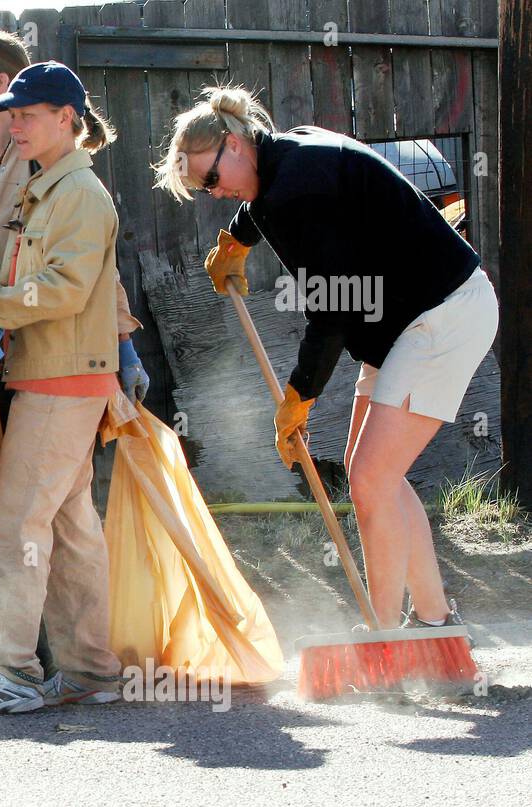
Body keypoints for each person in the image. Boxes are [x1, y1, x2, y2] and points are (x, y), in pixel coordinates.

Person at [154, 86, 496, 632]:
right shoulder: (288, 154)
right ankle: (434, 623)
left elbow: (334, 308)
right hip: (406, 321)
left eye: (211, 179)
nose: (212, 192)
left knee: (369, 479)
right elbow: (263, 199)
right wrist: (238, 238)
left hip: (442, 312)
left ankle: (382, 635)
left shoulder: (295, 189)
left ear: (235, 145)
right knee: (380, 476)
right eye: (203, 188)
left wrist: (299, 397)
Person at [0, 33, 146, 679]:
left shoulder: (60, 178)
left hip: (48, 364)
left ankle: (13, 668)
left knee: (16, 524)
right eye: (12, 114)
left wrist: (122, 345)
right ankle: (88, 667)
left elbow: (79, 278)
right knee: (62, 525)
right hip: (1, 356)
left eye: (25, 113)